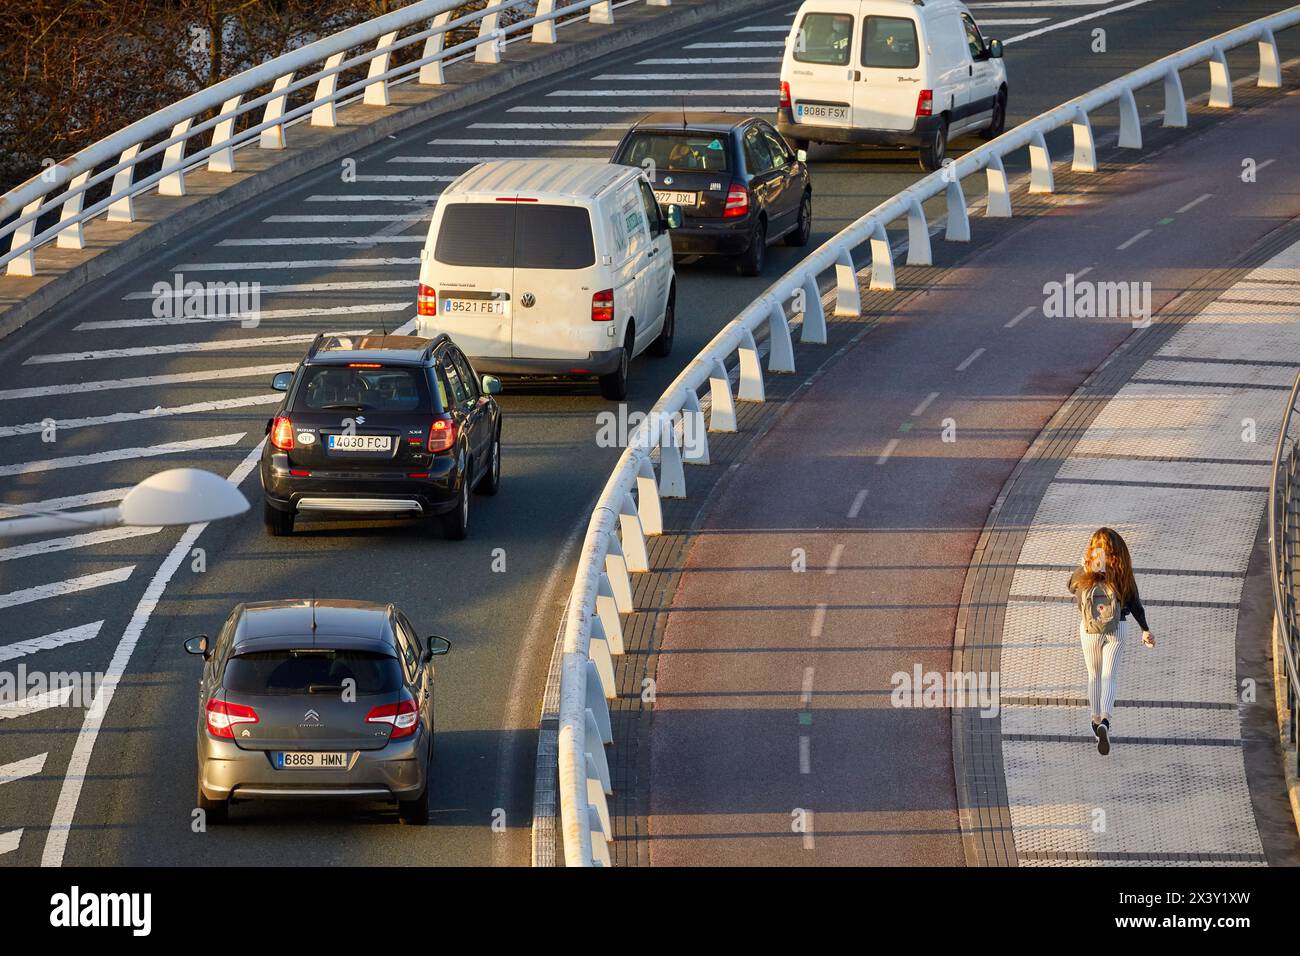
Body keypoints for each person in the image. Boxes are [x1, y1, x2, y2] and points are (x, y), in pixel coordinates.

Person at [1066, 528, 1155, 755]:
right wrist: (1145, 630)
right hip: (1118, 627)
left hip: (1090, 629)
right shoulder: (1122, 573)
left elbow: (1071, 586)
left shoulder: (1086, 573)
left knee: (1094, 676)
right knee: (1110, 677)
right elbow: (1135, 603)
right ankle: (1106, 719)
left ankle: (1096, 722)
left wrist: (1086, 568)